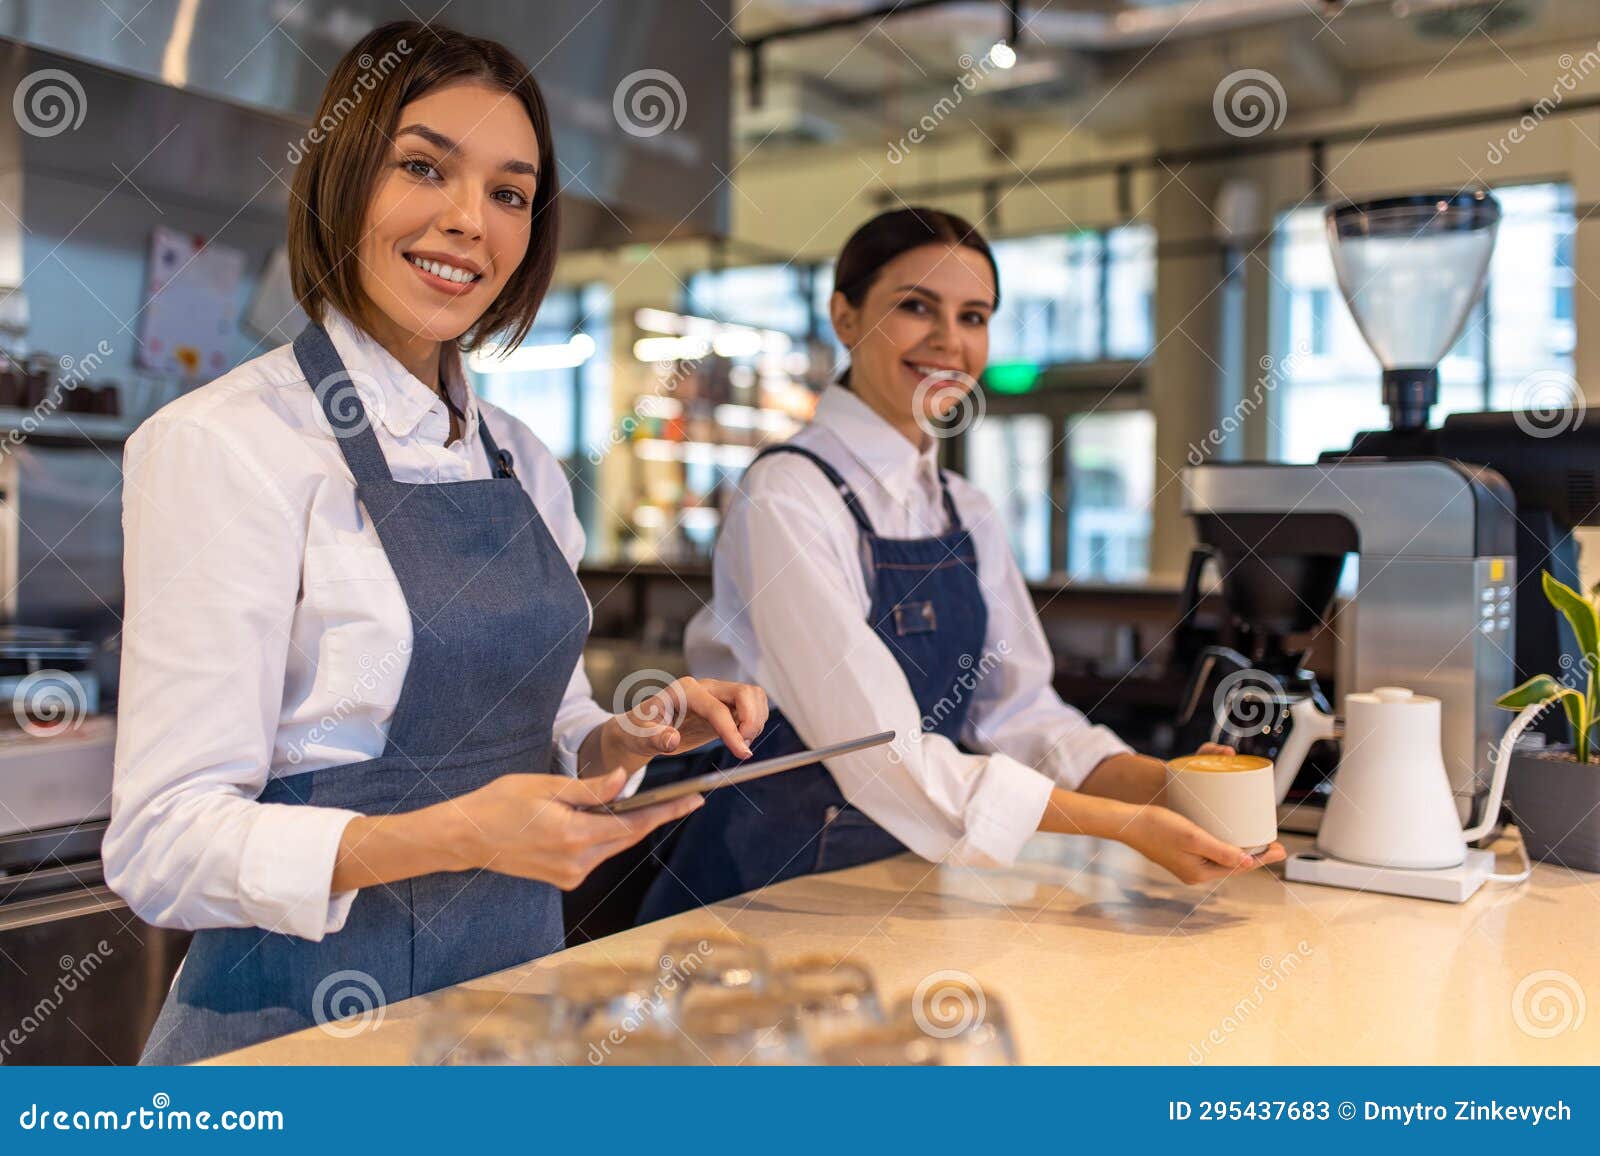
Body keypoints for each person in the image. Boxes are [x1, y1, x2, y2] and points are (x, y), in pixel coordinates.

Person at [105, 21, 767, 1064]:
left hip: (508, 1013)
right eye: (423, 167)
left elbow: (548, 728)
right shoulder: (226, 444)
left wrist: (626, 740)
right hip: (298, 1039)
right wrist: (458, 834)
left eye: (509, 192)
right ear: (342, 181)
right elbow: (162, 843)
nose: (469, 220)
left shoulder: (523, 460)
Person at [638, 207, 1284, 921]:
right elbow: (877, 750)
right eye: (916, 307)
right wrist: (1124, 825)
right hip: (752, 902)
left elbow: (1021, 714)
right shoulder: (786, 494)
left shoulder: (964, 509)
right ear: (845, 317)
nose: (949, 340)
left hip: (892, 884)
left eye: (973, 317)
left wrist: (1173, 791)